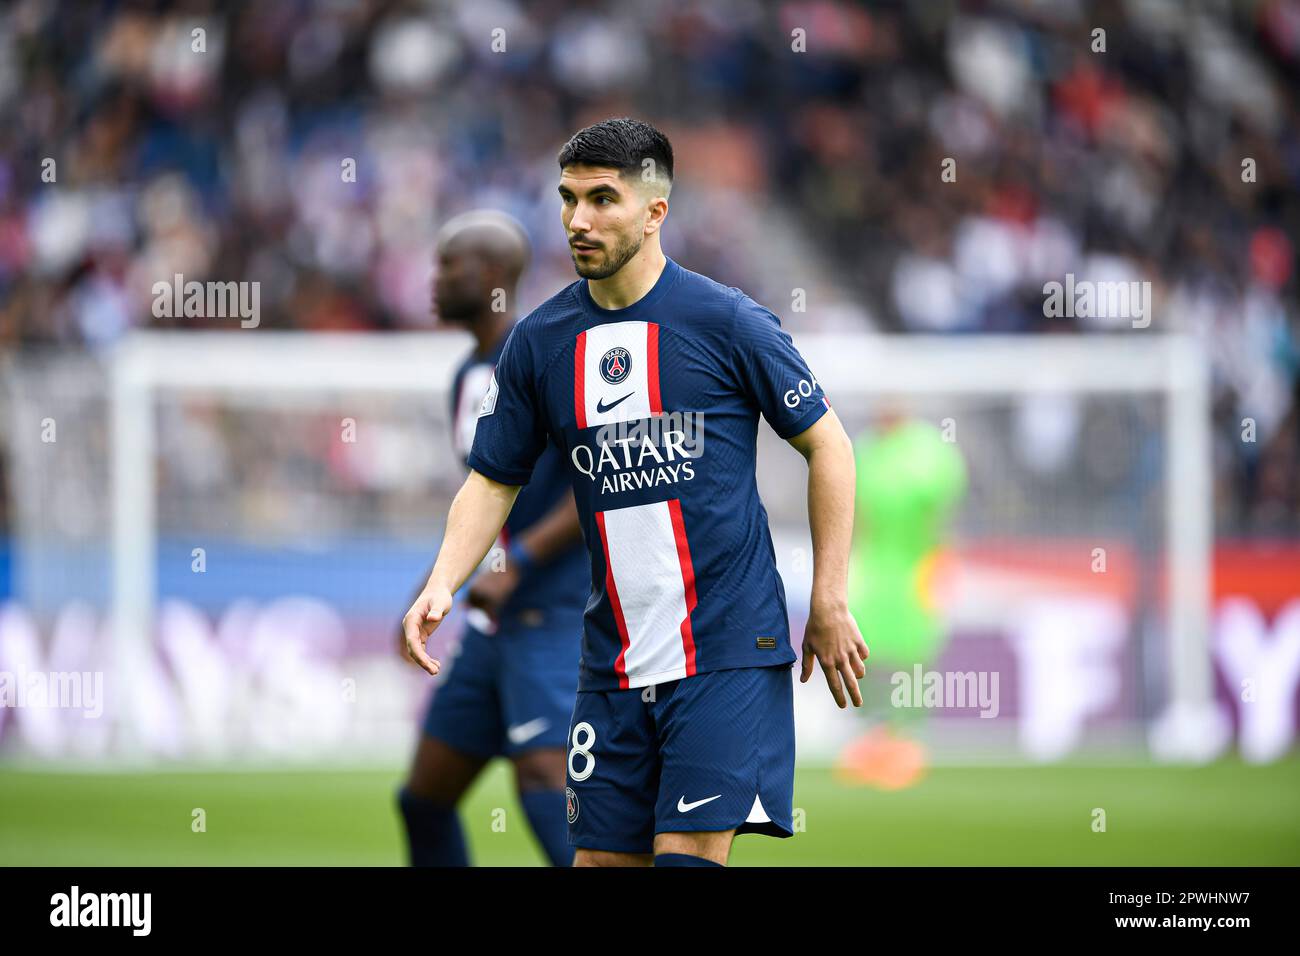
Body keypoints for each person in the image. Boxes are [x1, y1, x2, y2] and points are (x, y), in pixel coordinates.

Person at [403, 119, 867, 867]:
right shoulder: (541, 342)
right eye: (568, 199)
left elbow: (829, 445)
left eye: (603, 199)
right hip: (612, 661)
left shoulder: (726, 321)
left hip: (724, 652)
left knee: (684, 860)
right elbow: (492, 479)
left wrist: (829, 599)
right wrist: (442, 583)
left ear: (655, 211)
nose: (578, 220)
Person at [397, 210, 587, 867]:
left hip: (559, 611)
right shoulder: (466, 376)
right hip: (490, 621)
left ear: (492, 275)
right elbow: (485, 503)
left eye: (448, 265)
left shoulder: (547, 357)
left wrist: (523, 560)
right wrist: (437, 583)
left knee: (544, 782)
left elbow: (598, 481)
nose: (435, 279)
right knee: (422, 798)